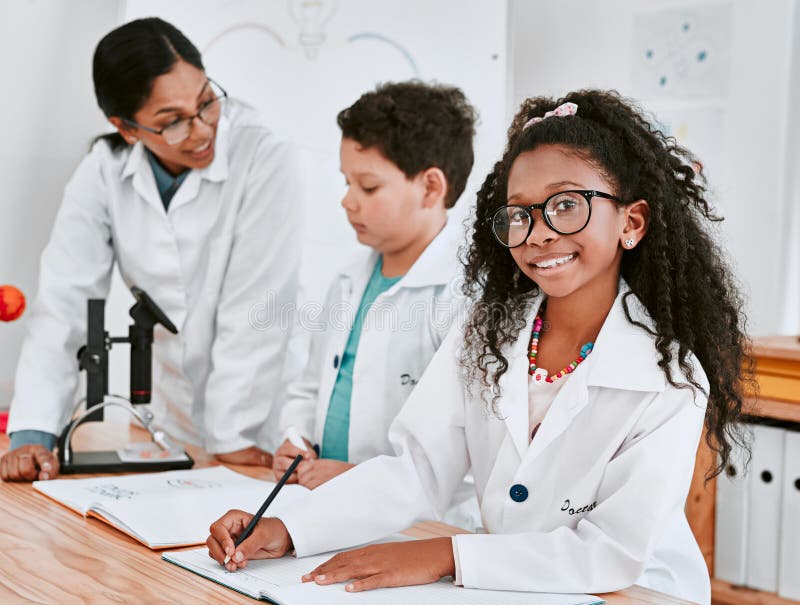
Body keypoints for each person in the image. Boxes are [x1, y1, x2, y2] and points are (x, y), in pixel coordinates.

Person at [206, 90, 753, 605]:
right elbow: (419, 467)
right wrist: (290, 528)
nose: (538, 233)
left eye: (567, 206)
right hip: (510, 585)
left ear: (630, 221)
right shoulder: (489, 332)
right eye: (520, 213)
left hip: (635, 592)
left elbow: (612, 551)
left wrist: (445, 554)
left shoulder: (669, 374)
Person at [0, 18, 302, 481]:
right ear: (125, 127)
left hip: (259, 423)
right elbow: (65, 302)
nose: (201, 131)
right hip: (171, 419)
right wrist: (33, 435)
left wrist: (233, 437)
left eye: (205, 102)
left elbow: (255, 308)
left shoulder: (262, 154)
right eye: (173, 122)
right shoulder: (104, 170)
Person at [271, 81, 480, 528]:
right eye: (347, 182)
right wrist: (296, 437)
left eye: (368, 186)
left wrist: (360, 482)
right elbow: (310, 387)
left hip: (419, 527)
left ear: (430, 187)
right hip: (323, 505)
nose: (347, 201)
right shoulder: (348, 281)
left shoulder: (466, 296)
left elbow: (463, 454)